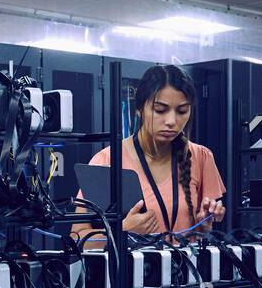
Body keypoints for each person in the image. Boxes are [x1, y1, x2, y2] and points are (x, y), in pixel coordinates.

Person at [71, 63, 225, 246]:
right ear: (139, 109)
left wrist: (203, 227)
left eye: (182, 111)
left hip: (185, 271)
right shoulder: (107, 160)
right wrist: (123, 230)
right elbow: (77, 239)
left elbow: (201, 239)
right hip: (131, 273)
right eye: (160, 110)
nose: (171, 121)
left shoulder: (201, 157)